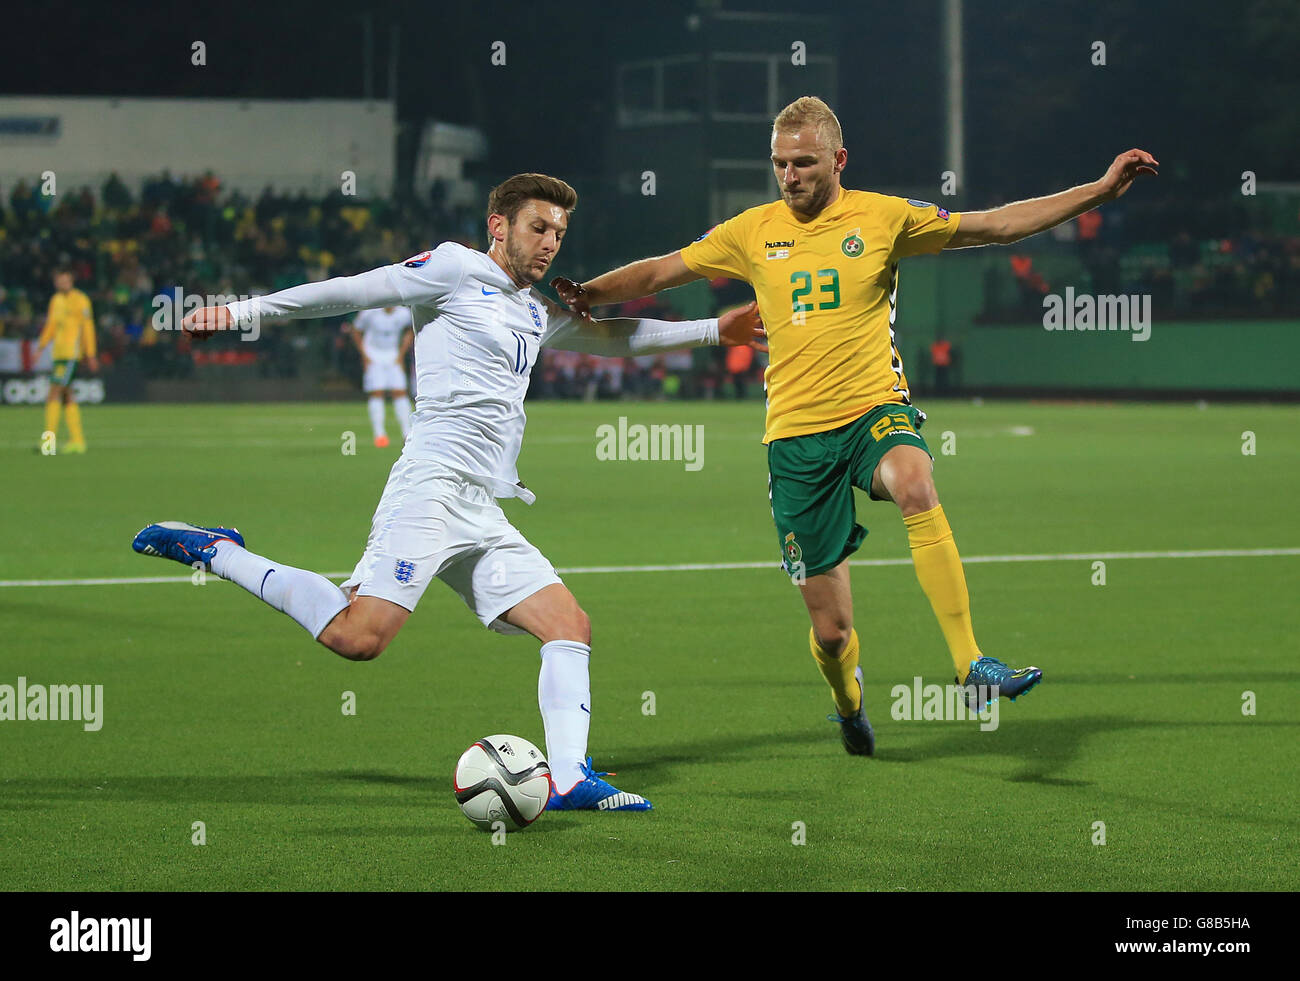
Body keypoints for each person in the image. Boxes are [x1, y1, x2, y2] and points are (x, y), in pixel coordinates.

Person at [132, 173, 762, 809]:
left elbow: (612, 339)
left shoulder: (531, 308)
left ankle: (569, 776)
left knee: (569, 625)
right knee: (358, 637)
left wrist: (714, 331)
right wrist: (241, 312)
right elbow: (352, 291)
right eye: (538, 228)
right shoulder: (453, 269)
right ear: (499, 226)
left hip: (482, 503)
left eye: (560, 234)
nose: (550, 244)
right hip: (430, 485)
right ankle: (216, 551)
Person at [552, 97, 1158, 755]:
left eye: (804, 163)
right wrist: (593, 291)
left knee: (916, 482)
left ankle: (969, 663)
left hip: (874, 409)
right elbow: (665, 268)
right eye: (780, 164)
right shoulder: (752, 230)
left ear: (838, 160)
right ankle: (849, 702)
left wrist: (1098, 192)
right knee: (833, 630)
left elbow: (996, 226)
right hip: (794, 441)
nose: (790, 176)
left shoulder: (884, 216)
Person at [37, 269, 97, 454]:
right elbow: (51, 325)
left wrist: (91, 353)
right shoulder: (56, 301)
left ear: (71, 281)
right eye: (59, 281)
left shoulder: (80, 300)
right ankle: (78, 441)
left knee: (54, 393)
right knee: (67, 396)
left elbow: (87, 327)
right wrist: (40, 347)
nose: (63, 284)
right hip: (58, 354)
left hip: (72, 354)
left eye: (66, 281)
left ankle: (49, 443)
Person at [342, 306, 414, 447]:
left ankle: (407, 433)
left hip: (393, 354)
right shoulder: (369, 312)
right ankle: (379, 435)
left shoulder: (403, 313)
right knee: (377, 393)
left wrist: (401, 353)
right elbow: (356, 330)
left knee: (400, 392)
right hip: (373, 354)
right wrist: (364, 355)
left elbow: (410, 331)